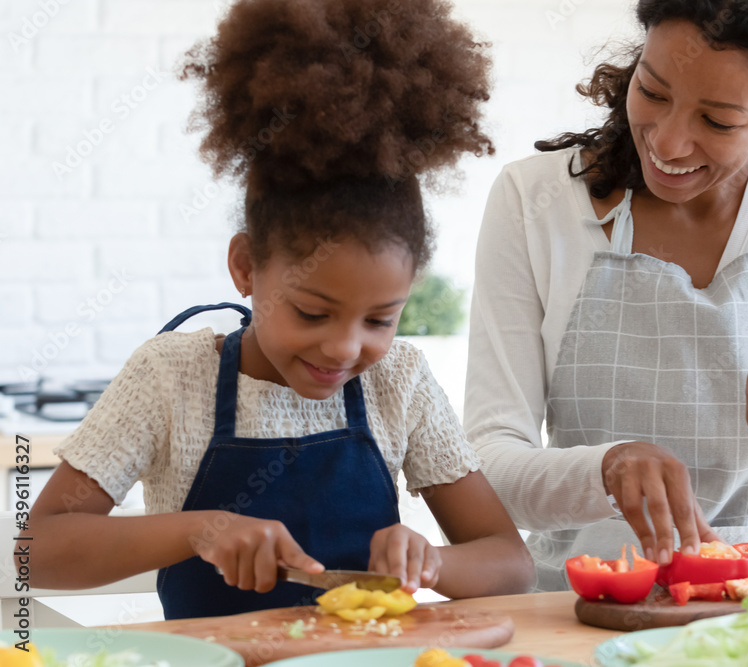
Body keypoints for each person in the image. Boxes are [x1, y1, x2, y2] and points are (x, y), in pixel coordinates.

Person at [27, 0, 533, 619]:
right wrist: (199, 529)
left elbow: (511, 563)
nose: (345, 347)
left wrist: (432, 562)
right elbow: (37, 550)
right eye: (313, 313)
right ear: (246, 267)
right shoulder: (169, 378)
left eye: (380, 319)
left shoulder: (398, 381)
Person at [464, 0, 748, 591]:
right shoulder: (532, 199)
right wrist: (604, 470)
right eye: (652, 92)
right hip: (585, 604)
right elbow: (486, 467)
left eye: (717, 121)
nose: (668, 142)